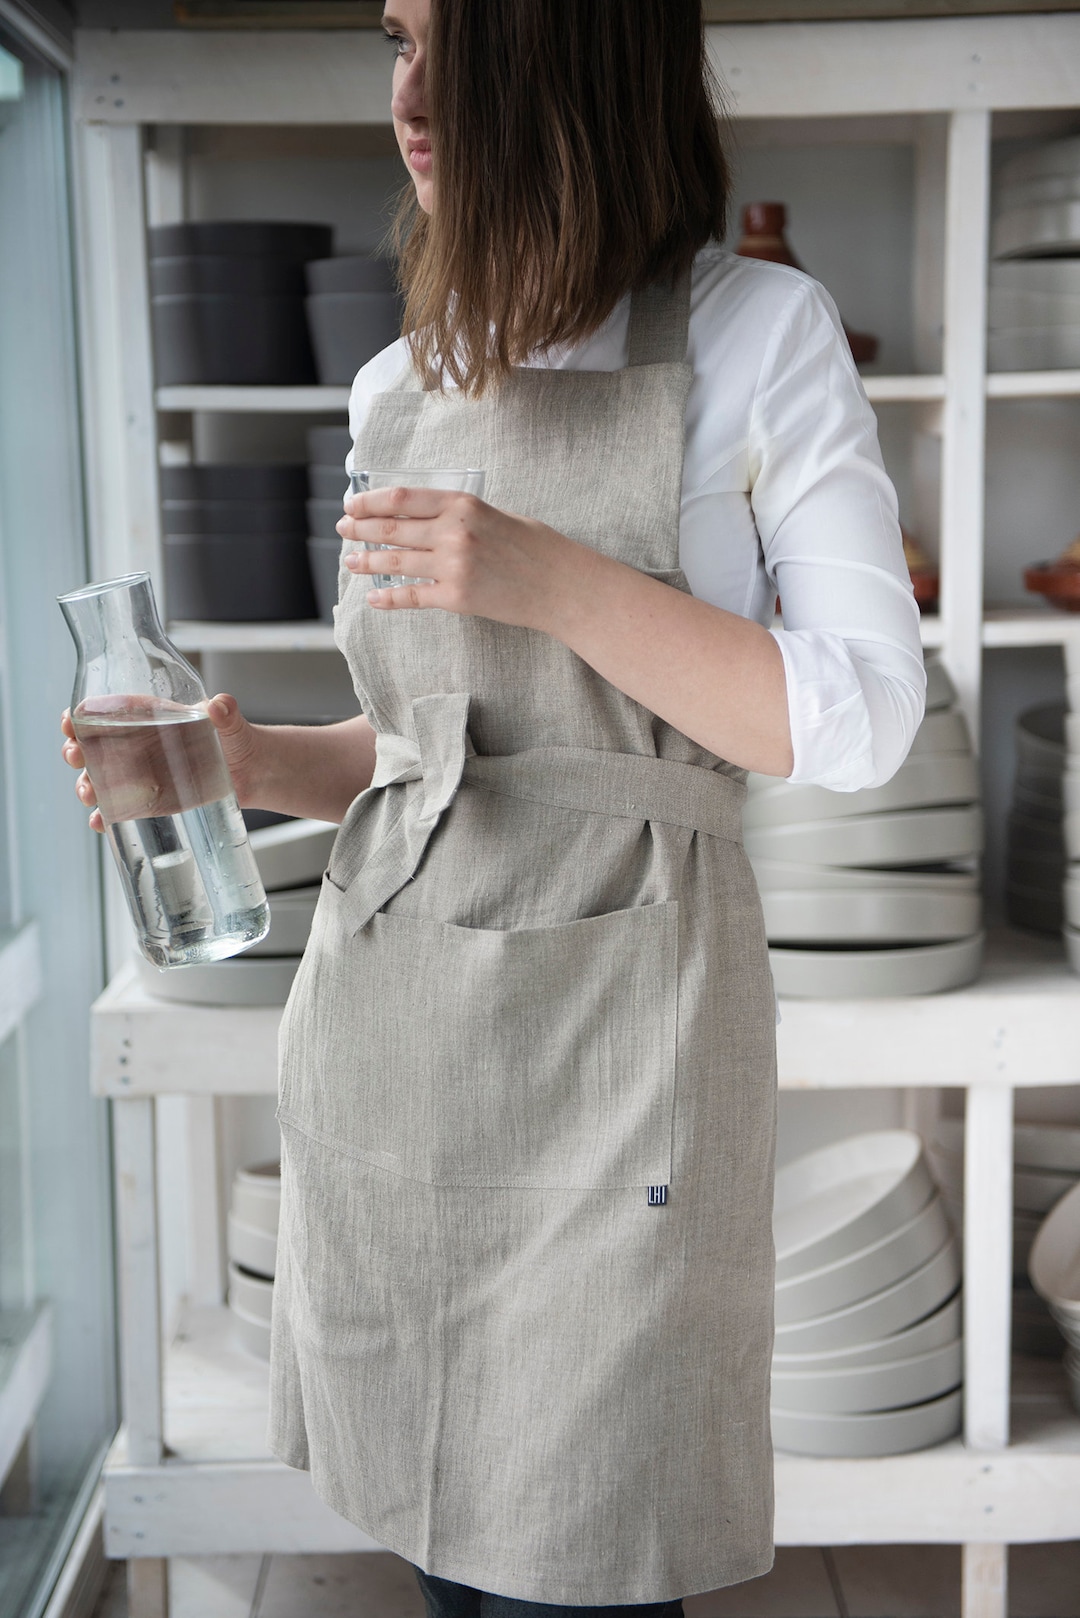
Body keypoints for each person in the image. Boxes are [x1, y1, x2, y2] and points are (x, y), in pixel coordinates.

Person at [63, 2, 925, 1613]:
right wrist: (238, 762)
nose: (414, 91)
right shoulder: (397, 378)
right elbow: (427, 751)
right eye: (395, 36)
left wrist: (553, 578)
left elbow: (862, 720)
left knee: (590, 1552)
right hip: (405, 1048)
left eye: (464, 40)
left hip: (623, 1070)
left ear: (585, 59)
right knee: (448, 1551)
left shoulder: (755, 336)